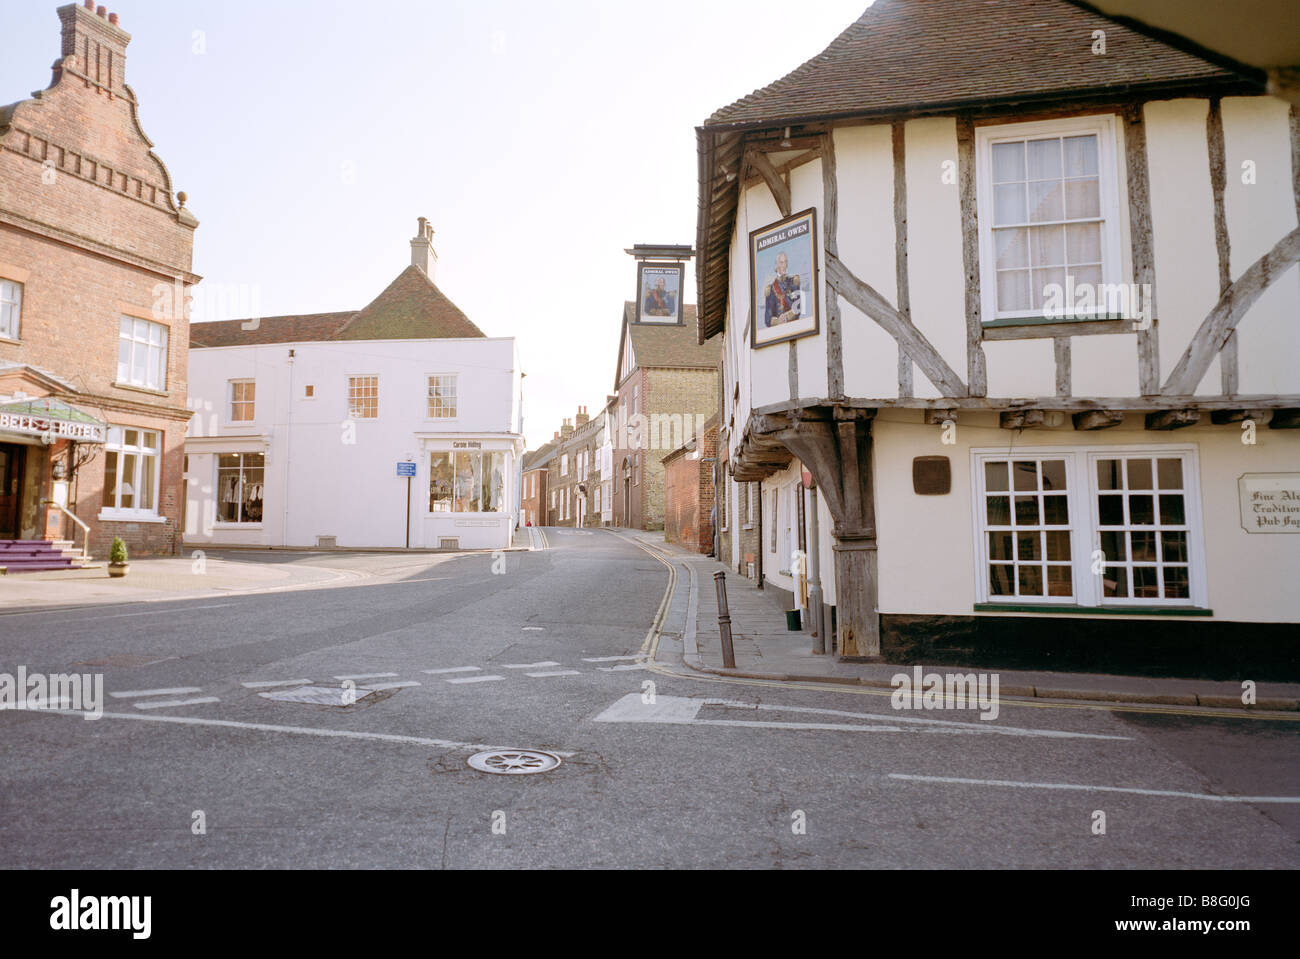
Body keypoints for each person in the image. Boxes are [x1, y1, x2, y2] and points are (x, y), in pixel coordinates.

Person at [764, 251, 803, 327]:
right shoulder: (770, 289)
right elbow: (767, 318)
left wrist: (787, 317)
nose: (784, 265)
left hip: (793, 325)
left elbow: (798, 307)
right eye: (781, 263)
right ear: (776, 265)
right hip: (778, 329)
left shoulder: (793, 281)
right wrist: (778, 321)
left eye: (785, 262)